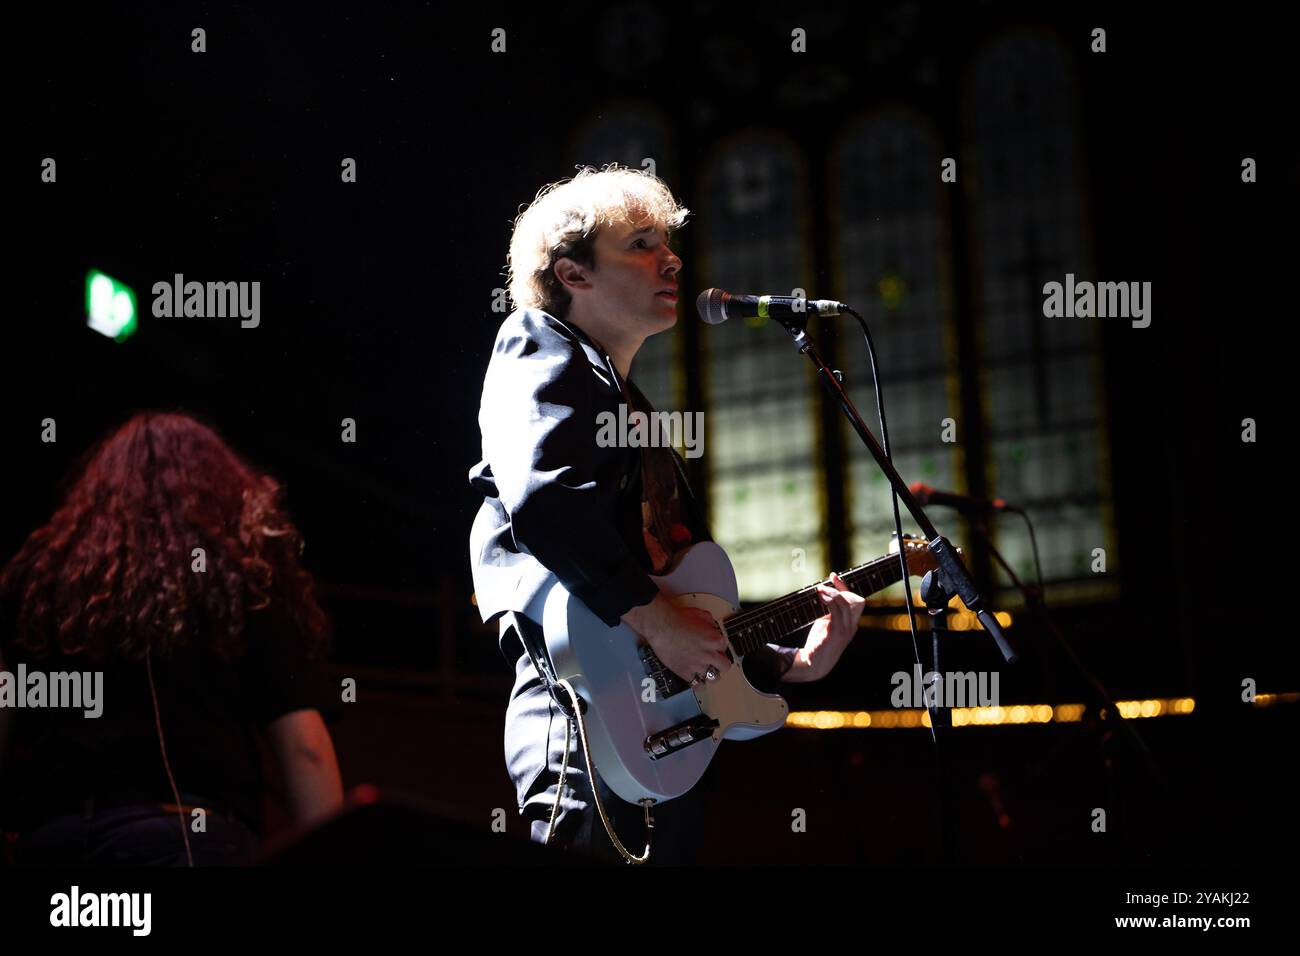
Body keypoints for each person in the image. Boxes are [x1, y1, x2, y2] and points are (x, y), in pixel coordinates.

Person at [469, 165, 867, 864]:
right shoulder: (537, 341)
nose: (673, 259)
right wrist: (654, 619)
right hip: (580, 718)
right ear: (574, 274)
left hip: (656, 731)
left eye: (668, 244)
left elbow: (681, 601)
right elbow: (545, 505)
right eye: (642, 243)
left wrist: (788, 664)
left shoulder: (632, 411)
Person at [0, 411, 344, 865]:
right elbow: (304, 747)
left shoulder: (39, 578)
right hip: (188, 841)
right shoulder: (245, 578)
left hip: (52, 846)